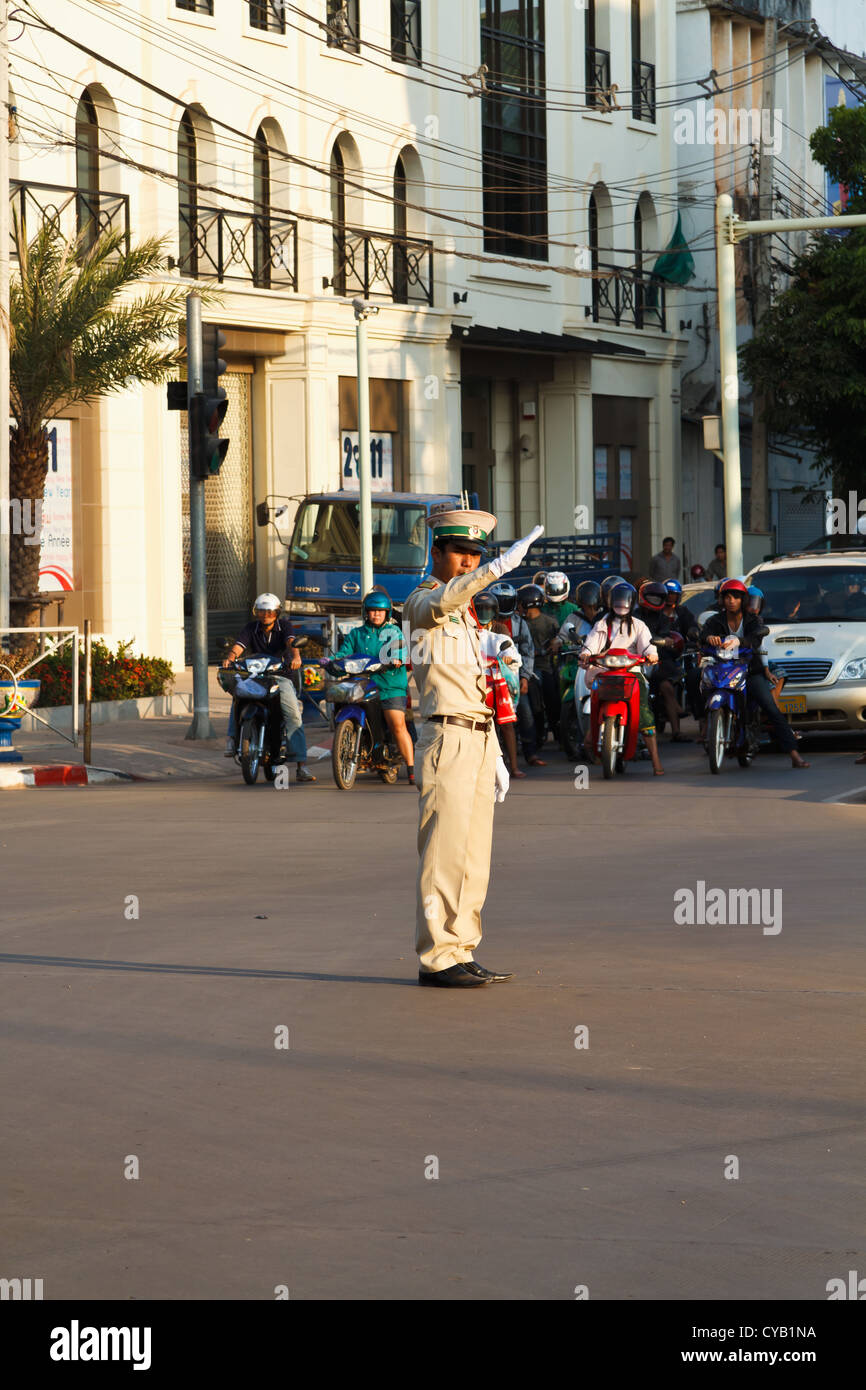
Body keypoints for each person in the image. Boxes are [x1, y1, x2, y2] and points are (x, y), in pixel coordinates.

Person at [403, 507, 544, 988]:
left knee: (472, 855)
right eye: (460, 554)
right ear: (436, 553)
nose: (468, 563)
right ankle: (436, 957)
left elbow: (476, 681)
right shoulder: (422, 602)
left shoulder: (466, 617)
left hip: (479, 737)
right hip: (447, 735)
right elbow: (445, 600)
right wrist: (498, 568)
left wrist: (499, 753)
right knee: (444, 852)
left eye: (475, 556)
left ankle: (460, 948)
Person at [699, 579, 809, 769]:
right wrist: (708, 637)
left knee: (770, 707)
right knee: (697, 681)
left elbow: (757, 636)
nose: (731, 601)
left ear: (743, 600)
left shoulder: (752, 619)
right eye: (727, 597)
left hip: (749, 670)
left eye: (735, 597)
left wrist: (740, 641)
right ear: (721, 600)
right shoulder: (715, 620)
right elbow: (702, 634)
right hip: (723, 669)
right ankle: (706, 729)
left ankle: (794, 754)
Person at [221, 593, 316, 783]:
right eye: (262, 611)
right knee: (238, 695)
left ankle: (301, 765)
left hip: (280, 676)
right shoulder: (251, 628)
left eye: (270, 612)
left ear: (277, 613)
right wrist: (230, 658)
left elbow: (291, 643)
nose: (266, 615)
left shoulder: (285, 626)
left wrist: (296, 658)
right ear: (256, 612)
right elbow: (239, 646)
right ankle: (232, 738)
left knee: (293, 714)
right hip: (255, 676)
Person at [579, 581, 665, 775]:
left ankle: (656, 760)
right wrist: (586, 653)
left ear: (632, 602)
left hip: (631, 672)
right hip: (604, 670)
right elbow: (591, 643)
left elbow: (648, 646)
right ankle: (591, 733)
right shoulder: (602, 623)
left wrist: (651, 654)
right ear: (611, 601)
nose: (621, 604)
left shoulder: (639, 625)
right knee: (594, 701)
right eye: (618, 599)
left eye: (624, 600)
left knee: (644, 712)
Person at [334, 590, 414, 784]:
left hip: (390, 686)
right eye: (372, 611)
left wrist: (397, 659)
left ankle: (412, 769)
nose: (376, 614)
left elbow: (403, 650)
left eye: (380, 611)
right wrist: (331, 661)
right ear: (365, 613)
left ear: (387, 613)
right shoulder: (356, 634)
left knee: (397, 724)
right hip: (363, 686)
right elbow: (343, 654)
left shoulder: (394, 632)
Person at [487, 580, 540, 768]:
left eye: (506, 601)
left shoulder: (520, 624)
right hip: (489, 678)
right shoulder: (486, 622)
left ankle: (530, 754)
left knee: (525, 713)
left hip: (514, 679)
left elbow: (527, 651)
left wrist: (525, 677)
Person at [475, 591, 526, 782]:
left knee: (506, 725)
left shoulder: (500, 629)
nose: (484, 612)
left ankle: (513, 766)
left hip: (497, 680)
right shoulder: (469, 629)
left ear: (495, 611)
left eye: (488, 608)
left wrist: (507, 656)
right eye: (480, 608)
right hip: (475, 680)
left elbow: (509, 648)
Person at [640, 581, 690, 742]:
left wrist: (664, 641)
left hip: (656, 659)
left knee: (667, 687)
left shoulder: (663, 618)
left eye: (659, 597)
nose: (656, 600)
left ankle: (676, 731)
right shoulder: (634, 616)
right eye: (652, 597)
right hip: (635, 660)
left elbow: (665, 637)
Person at [520, 583, 561, 749]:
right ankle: (536, 735)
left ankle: (558, 732)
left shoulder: (549, 622)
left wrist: (552, 647)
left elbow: (556, 642)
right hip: (526, 669)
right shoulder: (520, 622)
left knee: (552, 699)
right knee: (533, 704)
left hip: (545, 667)